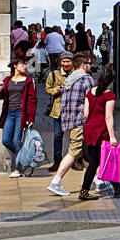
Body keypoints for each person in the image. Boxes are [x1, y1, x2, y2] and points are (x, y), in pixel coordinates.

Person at [78, 66, 120, 200]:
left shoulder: (90, 92)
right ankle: (84, 191)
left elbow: (85, 114)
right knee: (96, 162)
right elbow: (108, 117)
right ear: (111, 80)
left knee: (104, 159)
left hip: (89, 129)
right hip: (101, 131)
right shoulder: (109, 95)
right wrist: (112, 136)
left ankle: (116, 185)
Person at [47, 52, 95, 197]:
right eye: (89, 64)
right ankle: (56, 181)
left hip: (68, 120)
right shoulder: (87, 80)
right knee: (74, 151)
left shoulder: (70, 79)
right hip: (80, 121)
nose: (90, 66)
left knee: (85, 152)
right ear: (83, 65)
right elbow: (91, 103)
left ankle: (98, 181)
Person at [0, 56, 37, 177]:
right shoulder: (7, 80)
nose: (24, 66)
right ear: (15, 65)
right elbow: (1, 96)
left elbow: (32, 100)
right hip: (9, 113)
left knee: (18, 141)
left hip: (21, 113)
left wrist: (30, 118)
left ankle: (18, 169)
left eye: (25, 64)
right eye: (22, 64)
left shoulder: (29, 80)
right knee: (6, 141)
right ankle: (26, 158)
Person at [43, 52, 73, 172]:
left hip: (72, 111)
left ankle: (74, 160)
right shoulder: (54, 75)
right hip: (58, 110)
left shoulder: (76, 75)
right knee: (58, 136)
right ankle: (57, 160)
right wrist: (56, 90)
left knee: (74, 137)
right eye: (63, 61)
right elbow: (47, 88)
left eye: (68, 61)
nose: (65, 64)